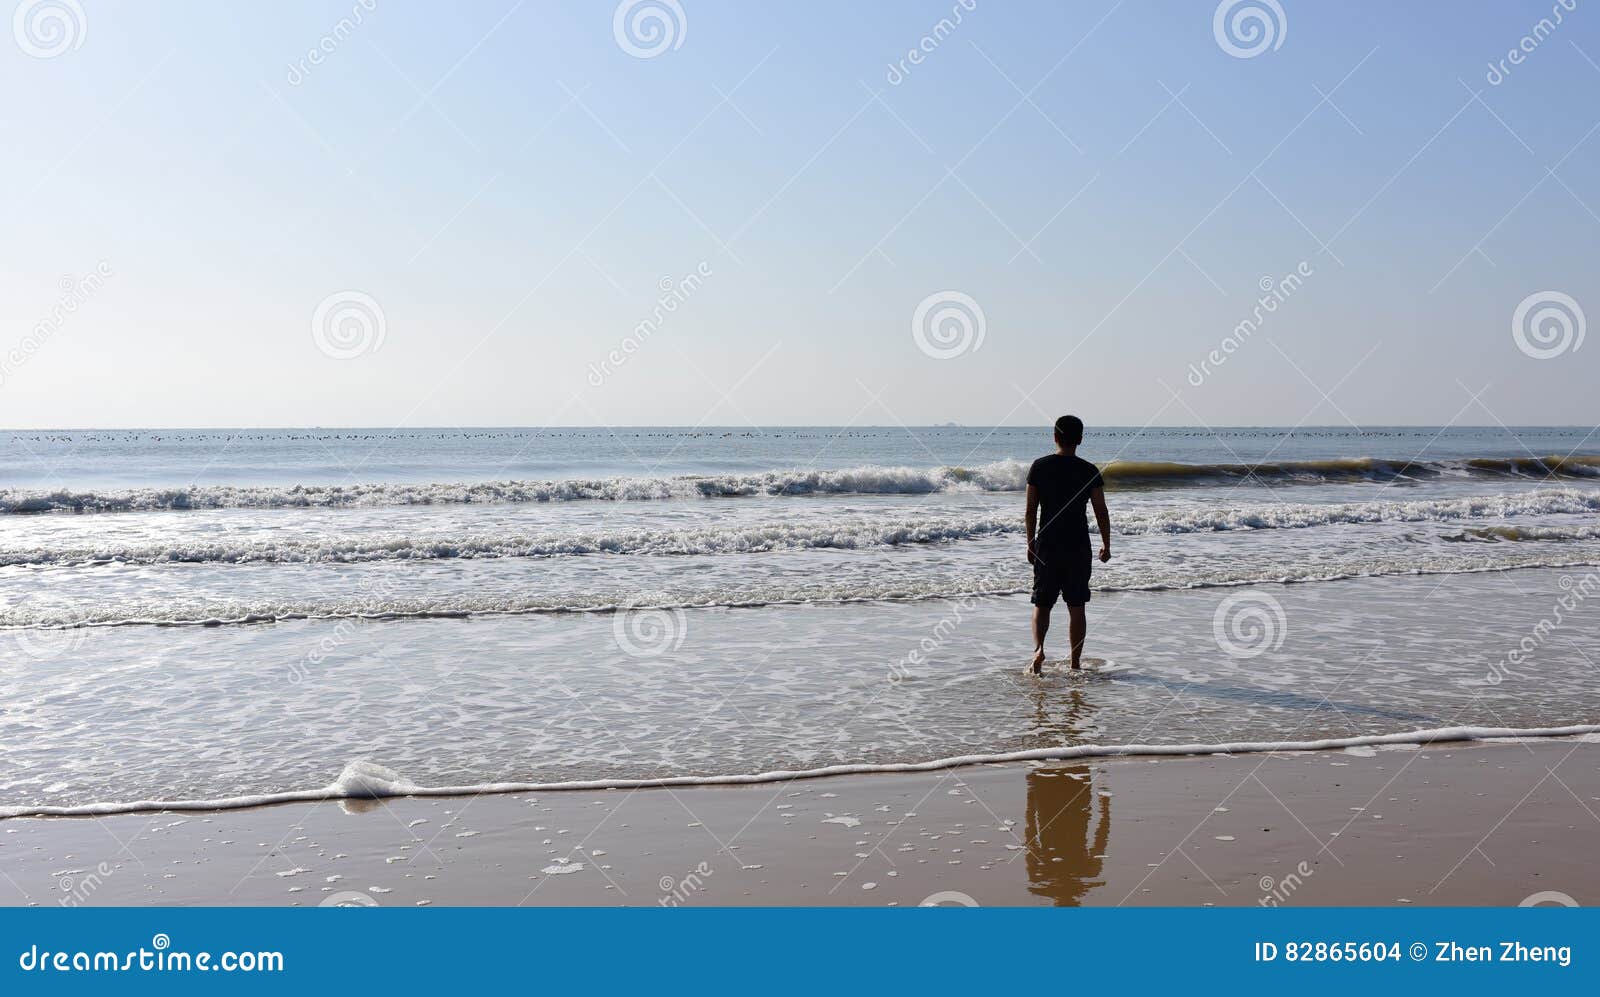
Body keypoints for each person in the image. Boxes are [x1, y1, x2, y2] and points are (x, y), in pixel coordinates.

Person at [1025, 415, 1111, 673]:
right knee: (1077, 606)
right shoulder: (1088, 470)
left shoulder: (1039, 467)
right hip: (1078, 546)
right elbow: (1101, 511)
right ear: (1080, 439)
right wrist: (1106, 544)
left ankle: (1039, 649)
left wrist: (1031, 543)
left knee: (1042, 603)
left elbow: (1030, 511)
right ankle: (1074, 663)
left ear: (1054, 437)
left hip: (1048, 545)